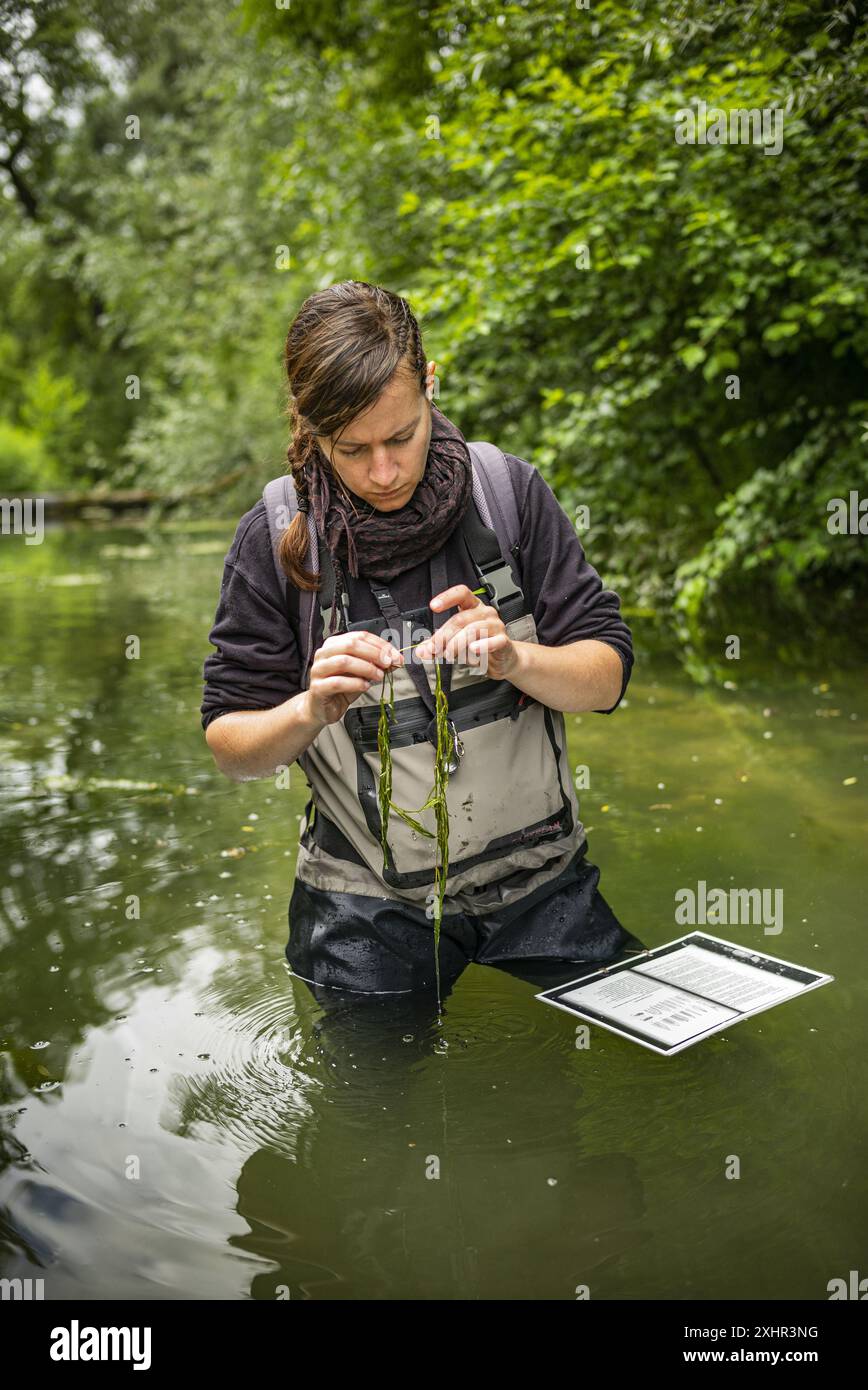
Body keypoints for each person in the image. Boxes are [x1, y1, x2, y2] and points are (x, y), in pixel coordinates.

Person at [201, 280, 643, 1004]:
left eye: (402, 437)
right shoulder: (275, 537)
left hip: (542, 885)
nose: (385, 472)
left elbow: (608, 676)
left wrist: (517, 658)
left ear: (430, 385)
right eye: (352, 449)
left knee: (678, 1067)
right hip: (364, 907)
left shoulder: (508, 492)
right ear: (310, 429)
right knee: (366, 1108)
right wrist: (309, 709)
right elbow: (229, 745)